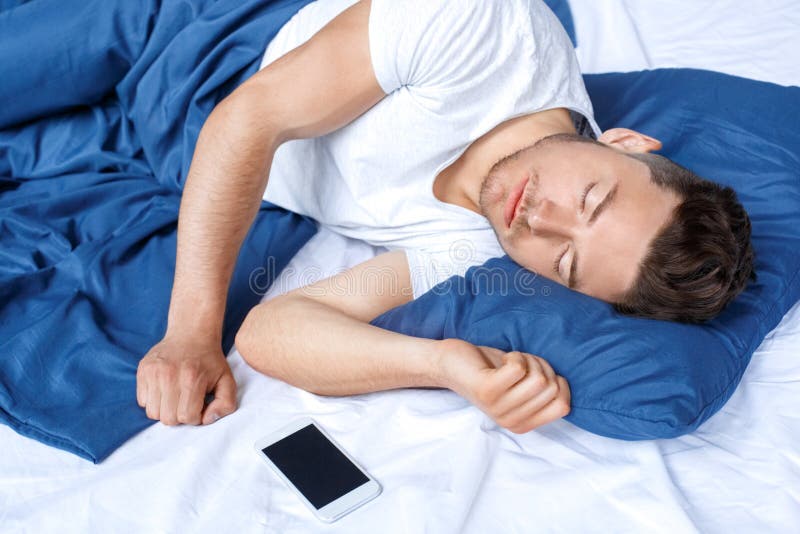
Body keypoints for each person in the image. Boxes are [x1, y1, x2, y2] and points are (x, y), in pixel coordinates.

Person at [136, 0, 755, 433]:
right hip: (219, 32)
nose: (539, 221)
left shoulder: (478, 252)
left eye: (565, 260)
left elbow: (269, 332)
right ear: (624, 143)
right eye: (590, 197)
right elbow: (249, 117)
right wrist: (190, 333)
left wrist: (441, 366)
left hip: (187, 152)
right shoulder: (482, 24)